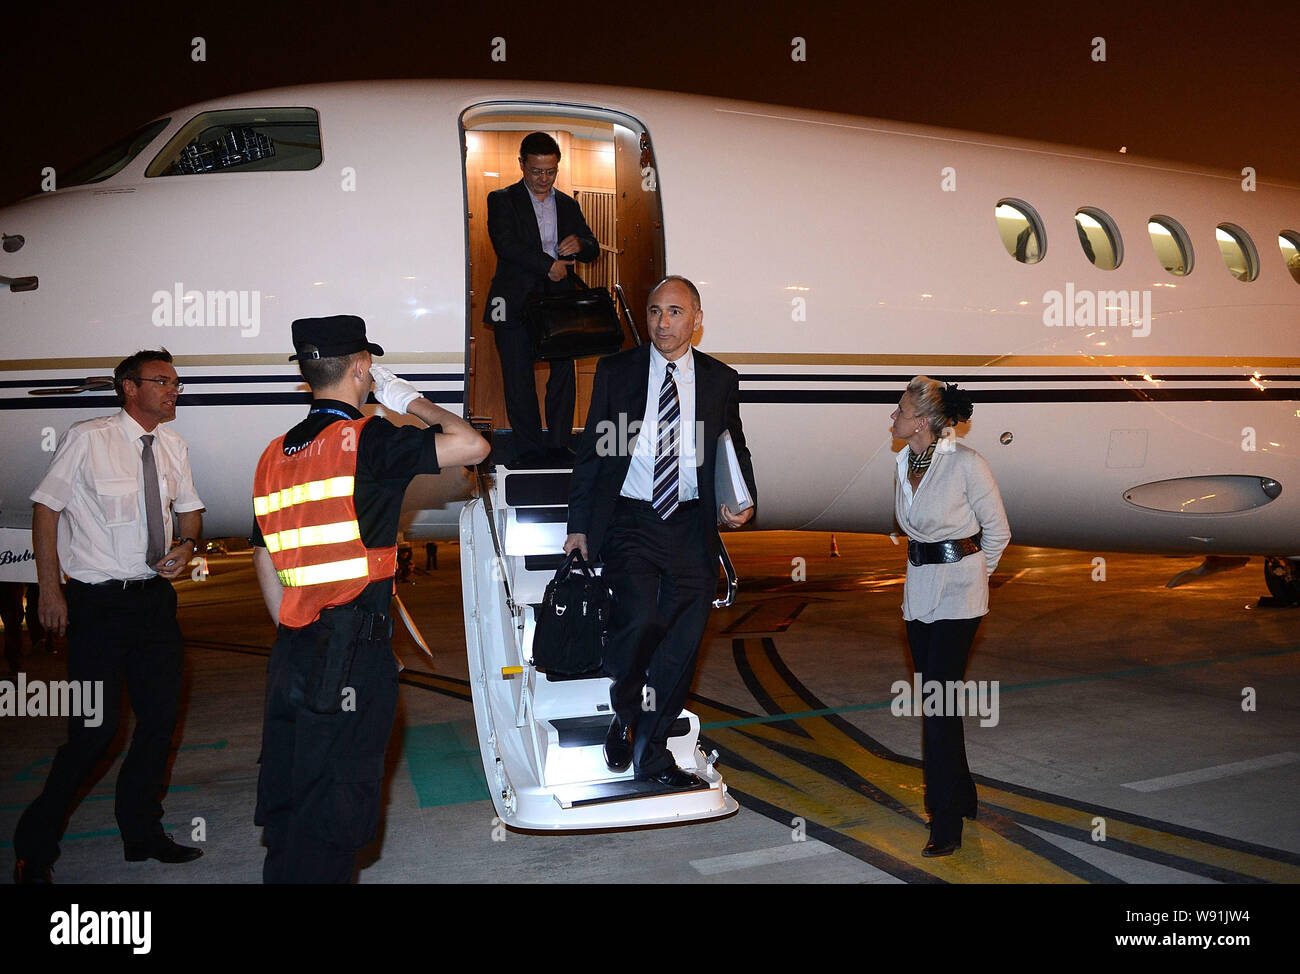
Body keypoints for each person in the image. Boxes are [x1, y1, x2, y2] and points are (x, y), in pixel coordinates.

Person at [250, 314, 488, 883]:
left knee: (293, 799)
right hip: (353, 656)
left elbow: (264, 558)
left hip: (294, 653)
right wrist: (411, 400)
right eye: (370, 368)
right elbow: (472, 446)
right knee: (336, 810)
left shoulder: (273, 455)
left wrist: (294, 629)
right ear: (362, 368)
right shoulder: (367, 440)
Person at [13, 349, 205, 884]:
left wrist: (187, 544)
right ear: (128, 387)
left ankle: (142, 833)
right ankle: (33, 847)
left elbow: (189, 509)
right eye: (162, 382)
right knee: (94, 732)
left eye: (175, 383)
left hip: (153, 602)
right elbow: (46, 508)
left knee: (159, 724)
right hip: (97, 605)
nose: (173, 391)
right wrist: (49, 589)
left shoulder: (173, 445)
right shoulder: (88, 437)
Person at [564, 276, 756, 786]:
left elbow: (733, 444)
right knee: (641, 622)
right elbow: (595, 452)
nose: (662, 322)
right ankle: (626, 712)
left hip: (692, 525)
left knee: (682, 644)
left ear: (696, 318)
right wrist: (579, 525)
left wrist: (742, 498)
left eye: (674, 312)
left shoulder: (719, 379)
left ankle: (652, 754)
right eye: (654, 311)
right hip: (633, 517)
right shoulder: (619, 371)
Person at [890, 377, 1010, 857]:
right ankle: (962, 793)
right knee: (938, 700)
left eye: (899, 411)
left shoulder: (968, 464)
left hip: (958, 598)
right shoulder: (903, 462)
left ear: (921, 421)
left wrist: (973, 574)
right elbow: (912, 530)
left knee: (937, 704)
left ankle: (945, 819)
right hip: (919, 593)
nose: (892, 419)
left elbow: (998, 533)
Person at [484, 131, 599, 466]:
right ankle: (528, 450)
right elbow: (505, 244)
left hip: (559, 305)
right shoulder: (501, 199)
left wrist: (580, 243)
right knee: (518, 379)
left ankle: (560, 446)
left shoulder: (568, 203)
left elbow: (591, 245)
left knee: (563, 376)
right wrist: (548, 265)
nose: (543, 179)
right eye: (536, 171)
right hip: (514, 302)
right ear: (522, 165)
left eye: (550, 172)